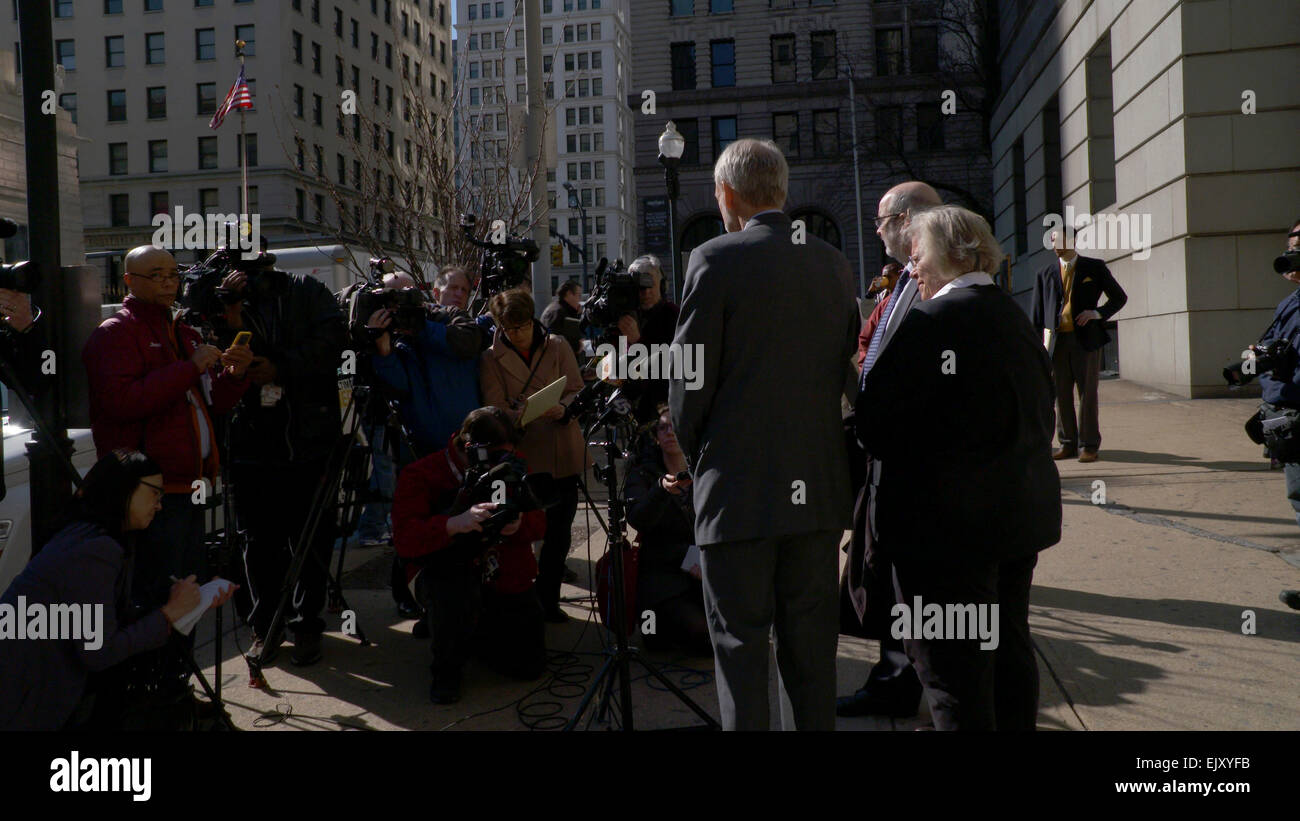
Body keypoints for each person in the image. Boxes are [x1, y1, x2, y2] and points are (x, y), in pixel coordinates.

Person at [669, 138, 858, 731]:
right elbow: (844, 372)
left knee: (741, 651)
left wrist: (702, 457)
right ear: (782, 191)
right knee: (812, 656)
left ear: (726, 193)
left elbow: (687, 385)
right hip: (817, 492)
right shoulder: (831, 262)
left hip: (738, 492)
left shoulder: (713, 259)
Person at [857, 205, 1061, 731]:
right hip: (1017, 522)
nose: (912, 266)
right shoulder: (1011, 315)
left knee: (952, 676)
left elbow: (875, 425)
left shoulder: (931, 321)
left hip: (945, 537)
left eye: (918, 253)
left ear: (950, 254)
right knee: (1010, 655)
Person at [0, 450, 236, 731]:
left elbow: (106, 626)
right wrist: (169, 614)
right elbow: (99, 651)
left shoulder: (92, 534)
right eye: (154, 494)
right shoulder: (96, 549)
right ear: (123, 489)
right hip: (26, 699)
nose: (159, 505)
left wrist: (189, 605)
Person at [82, 245, 253, 610]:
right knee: (157, 595)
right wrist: (189, 368)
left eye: (173, 274)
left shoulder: (184, 332)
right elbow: (121, 402)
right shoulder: (115, 333)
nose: (168, 283)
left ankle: (176, 663)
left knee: (186, 591)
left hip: (190, 484)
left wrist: (236, 375)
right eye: (156, 275)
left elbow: (213, 403)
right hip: (148, 493)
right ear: (129, 281)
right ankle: (158, 665)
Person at [840, 182, 942, 720]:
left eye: (881, 221)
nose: (877, 231)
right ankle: (894, 680)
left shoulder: (935, 285)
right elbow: (871, 345)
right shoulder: (901, 282)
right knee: (880, 576)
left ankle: (913, 687)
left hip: (912, 466)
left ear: (904, 221)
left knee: (907, 585)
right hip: (882, 458)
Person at [216, 261, 347, 666]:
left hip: (309, 439)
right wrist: (229, 316)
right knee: (259, 542)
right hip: (252, 443)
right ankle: (266, 625)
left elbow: (334, 343)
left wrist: (281, 366)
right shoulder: (221, 297)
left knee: (311, 538)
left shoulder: (306, 291)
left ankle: (308, 624)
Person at [391, 407, 547, 704]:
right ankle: (446, 667)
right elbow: (404, 540)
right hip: (443, 570)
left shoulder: (510, 464)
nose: (503, 462)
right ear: (468, 448)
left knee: (529, 665)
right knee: (452, 589)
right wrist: (453, 524)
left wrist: (518, 524)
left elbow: (539, 522)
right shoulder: (422, 474)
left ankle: (474, 632)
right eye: (496, 455)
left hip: (498, 568)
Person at [480, 288, 587, 623]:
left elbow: (577, 389)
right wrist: (520, 414)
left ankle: (549, 599)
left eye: (522, 326)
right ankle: (521, 601)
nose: (517, 334)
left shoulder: (557, 345)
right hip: (522, 455)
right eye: (508, 329)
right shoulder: (489, 358)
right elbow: (492, 407)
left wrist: (563, 408)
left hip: (561, 448)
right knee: (520, 533)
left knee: (559, 534)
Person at [1032, 230, 1128, 462]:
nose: (1056, 245)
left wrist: (1097, 313)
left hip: (1085, 341)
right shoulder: (1044, 273)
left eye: (1061, 241)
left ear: (1073, 241)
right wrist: (1035, 347)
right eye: (1053, 241)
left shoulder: (1094, 267)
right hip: (1056, 342)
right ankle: (1067, 443)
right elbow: (1036, 314)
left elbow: (1119, 297)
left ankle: (1089, 445)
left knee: (1088, 394)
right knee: (1061, 394)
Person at [624, 406, 711, 656]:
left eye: (675, 426)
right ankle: (660, 633)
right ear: (655, 437)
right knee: (705, 638)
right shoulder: (642, 474)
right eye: (663, 427)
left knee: (735, 632)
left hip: (704, 571)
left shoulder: (705, 471)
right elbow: (639, 519)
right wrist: (660, 490)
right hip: (663, 576)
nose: (669, 432)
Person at [1256, 217, 1300, 528]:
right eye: (1290, 248)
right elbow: (1269, 350)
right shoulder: (1288, 304)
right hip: (1287, 414)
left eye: (1298, 249)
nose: (1290, 255)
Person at [855, 262, 904, 368]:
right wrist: (870, 293)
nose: (886, 280)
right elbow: (866, 314)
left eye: (889, 277)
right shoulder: (881, 296)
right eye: (884, 277)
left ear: (899, 276)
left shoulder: (904, 295)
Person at [540, 279, 583, 358]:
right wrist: (578, 345)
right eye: (579, 295)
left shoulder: (557, 309)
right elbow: (560, 341)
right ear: (569, 294)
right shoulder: (559, 312)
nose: (580, 300)